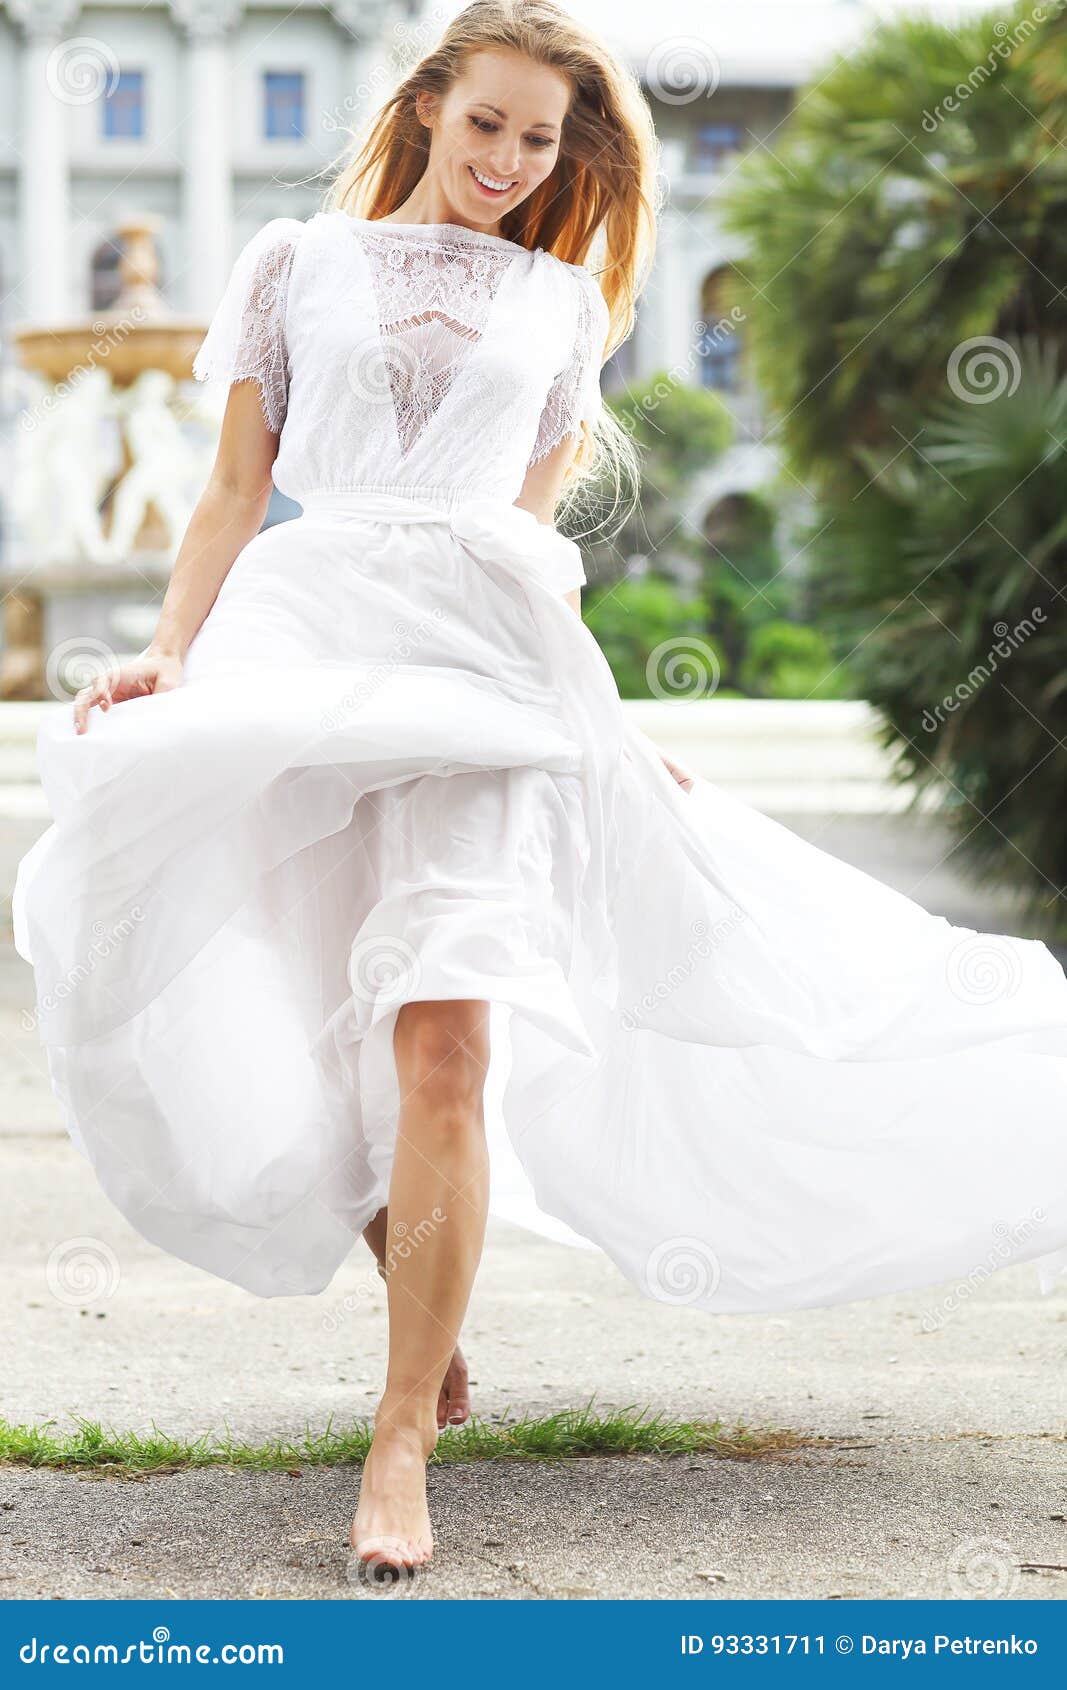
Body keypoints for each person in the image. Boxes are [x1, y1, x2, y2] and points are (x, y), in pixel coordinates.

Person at [13, 0, 1067, 1584]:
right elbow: (236, 488)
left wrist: (610, 726)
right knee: (323, 1030)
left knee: (447, 1035)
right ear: (430, 105)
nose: (510, 159)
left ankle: (398, 1438)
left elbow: (531, 549)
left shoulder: (566, 305)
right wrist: (172, 651)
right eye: (487, 121)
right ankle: (417, 1312)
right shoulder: (295, 265)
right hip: (306, 651)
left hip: (489, 671)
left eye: (541, 138)